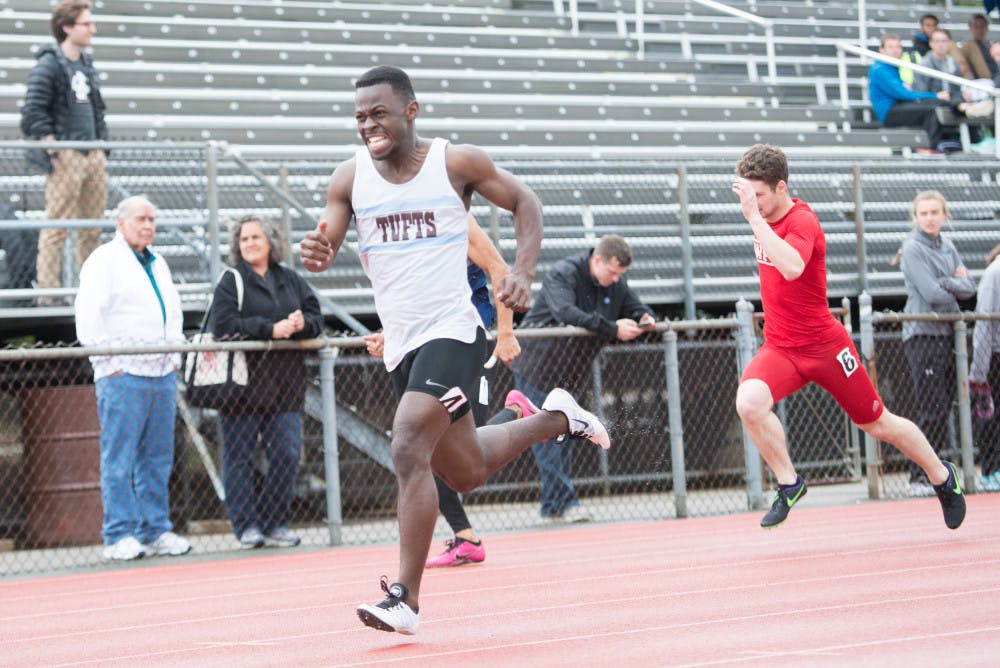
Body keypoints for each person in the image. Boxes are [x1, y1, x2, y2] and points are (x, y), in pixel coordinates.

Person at [299, 65, 610, 635]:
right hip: (403, 344)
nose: (368, 124)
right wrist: (320, 250)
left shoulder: (454, 163)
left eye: (379, 113)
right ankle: (557, 417)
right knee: (464, 471)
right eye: (360, 116)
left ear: (410, 111)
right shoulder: (349, 178)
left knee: (409, 440)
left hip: (455, 330)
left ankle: (405, 599)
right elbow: (330, 235)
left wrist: (522, 270)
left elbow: (526, 202)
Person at [730, 144, 965, 532]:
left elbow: (791, 267)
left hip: (825, 347)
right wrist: (757, 215)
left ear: (781, 187)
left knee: (877, 423)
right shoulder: (763, 213)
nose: (751, 202)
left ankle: (942, 476)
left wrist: (754, 219)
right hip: (782, 347)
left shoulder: (802, 220)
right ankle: (789, 484)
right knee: (749, 403)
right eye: (748, 195)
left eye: (758, 194)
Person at [366, 215, 532, 568]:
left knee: (455, 451)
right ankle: (465, 536)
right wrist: (390, 332)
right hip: (418, 344)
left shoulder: (449, 212)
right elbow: (413, 294)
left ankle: (517, 415)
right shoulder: (399, 222)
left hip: (461, 337)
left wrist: (505, 332)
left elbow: (498, 267)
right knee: (433, 450)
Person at [75, 196, 192, 561]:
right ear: (121, 223)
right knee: (120, 458)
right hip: (123, 373)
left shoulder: (158, 262)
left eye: (152, 220)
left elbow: (172, 311)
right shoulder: (104, 260)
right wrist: (108, 363)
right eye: (141, 219)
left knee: (158, 457)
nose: (148, 225)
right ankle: (118, 533)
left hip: (160, 373)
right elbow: (89, 313)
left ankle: (154, 529)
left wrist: (173, 357)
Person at [511, 234, 654, 523]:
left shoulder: (615, 282)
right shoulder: (564, 273)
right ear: (597, 260)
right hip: (538, 367)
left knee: (563, 436)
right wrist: (612, 329)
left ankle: (553, 507)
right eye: (612, 272)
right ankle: (564, 504)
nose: (615, 279)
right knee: (546, 437)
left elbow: (636, 307)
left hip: (570, 373)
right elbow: (566, 312)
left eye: (620, 275)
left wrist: (644, 319)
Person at [209, 215, 323, 549]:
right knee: (239, 456)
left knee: (287, 453)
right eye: (244, 239)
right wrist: (269, 329)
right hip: (242, 385)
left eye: (256, 237)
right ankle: (246, 526)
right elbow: (223, 325)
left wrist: (301, 324)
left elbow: (316, 318)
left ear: (271, 241)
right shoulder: (231, 280)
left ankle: (274, 523)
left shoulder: (290, 279)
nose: (250, 244)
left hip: (285, 384)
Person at [20, 0, 108, 303]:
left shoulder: (86, 63)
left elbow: (98, 109)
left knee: (91, 229)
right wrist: (52, 148)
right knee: (57, 226)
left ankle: (91, 289)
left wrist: (102, 146)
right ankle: (48, 292)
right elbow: (33, 112)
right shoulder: (49, 64)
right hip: (65, 153)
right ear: (67, 27)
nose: (92, 29)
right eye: (86, 23)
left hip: (92, 152)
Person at [899, 190, 976, 496]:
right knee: (931, 408)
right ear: (915, 217)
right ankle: (918, 477)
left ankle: (933, 474)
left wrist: (947, 283)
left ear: (944, 215)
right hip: (923, 335)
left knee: (945, 408)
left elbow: (969, 289)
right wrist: (951, 282)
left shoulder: (948, 246)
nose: (930, 218)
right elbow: (932, 295)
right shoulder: (912, 249)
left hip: (948, 336)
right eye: (924, 213)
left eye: (935, 212)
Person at [869, 34, 958, 155]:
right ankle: (928, 148)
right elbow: (903, 94)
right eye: (891, 47)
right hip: (889, 112)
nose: (895, 50)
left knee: (938, 103)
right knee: (932, 108)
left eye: (898, 47)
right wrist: (935, 96)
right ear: (882, 50)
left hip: (898, 106)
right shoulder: (880, 69)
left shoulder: (891, 67)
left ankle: (951, 140)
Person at [970, 243, 1000, 492]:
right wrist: (979, 370)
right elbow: (983, 322)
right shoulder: (994, 273)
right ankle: (990, 471)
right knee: (992, 416)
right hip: (995, 356)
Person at [960, 13, 996, 81]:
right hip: (981, 82)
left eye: (982, 26)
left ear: (987, 27)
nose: (979, 29)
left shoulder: (992, 46)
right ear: (970, 28)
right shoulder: (967, 47)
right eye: (976, 26)